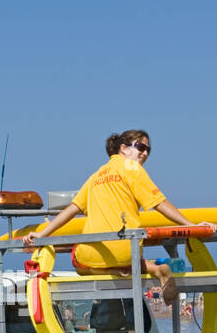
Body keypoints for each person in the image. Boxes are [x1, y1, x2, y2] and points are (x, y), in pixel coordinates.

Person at [22, 131, 196, 305]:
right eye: (141, 147)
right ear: (123, 149)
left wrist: (42, 233)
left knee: (77, 260)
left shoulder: (95, 176)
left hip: (92, 255)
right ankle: (153, 270)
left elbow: (72, 209)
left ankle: (115, 270)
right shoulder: (133, 169)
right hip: (128, 252)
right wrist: (191, 225)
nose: (145, 153)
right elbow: (160, 203)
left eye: (148, 150)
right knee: (128, 258)